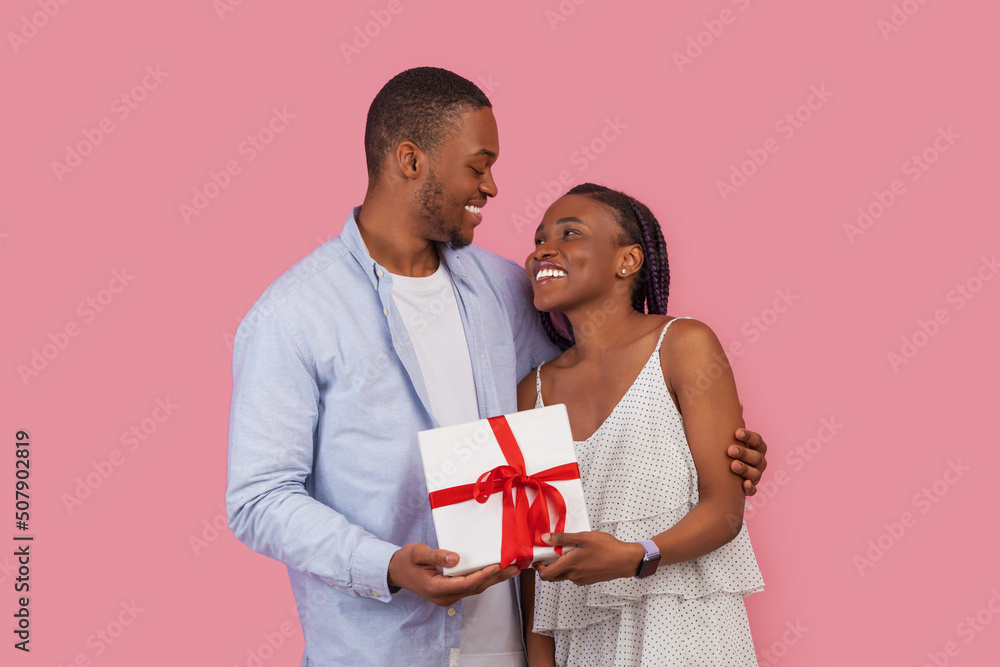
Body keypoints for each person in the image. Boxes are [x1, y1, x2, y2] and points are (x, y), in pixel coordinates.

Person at [226, 68, 768, 666]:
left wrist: (716, 450)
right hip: (386, 649)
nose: (491, 187)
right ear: (411, 160)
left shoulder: (506, 289)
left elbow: (585, 419)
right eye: (478, 165)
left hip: (517, 642)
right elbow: (259, 498)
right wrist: (386, 565)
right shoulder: (292, 314)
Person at [517, 184, 764, 666]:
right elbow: (536, 559)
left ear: (627, 260)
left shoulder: (684, 345)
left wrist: (636, 555)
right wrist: (540, 659)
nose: (543, 248)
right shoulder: (533, 392)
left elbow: (725, 510)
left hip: (686, 632)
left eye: (570, 233)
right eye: (539, 237)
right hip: (584, 644)